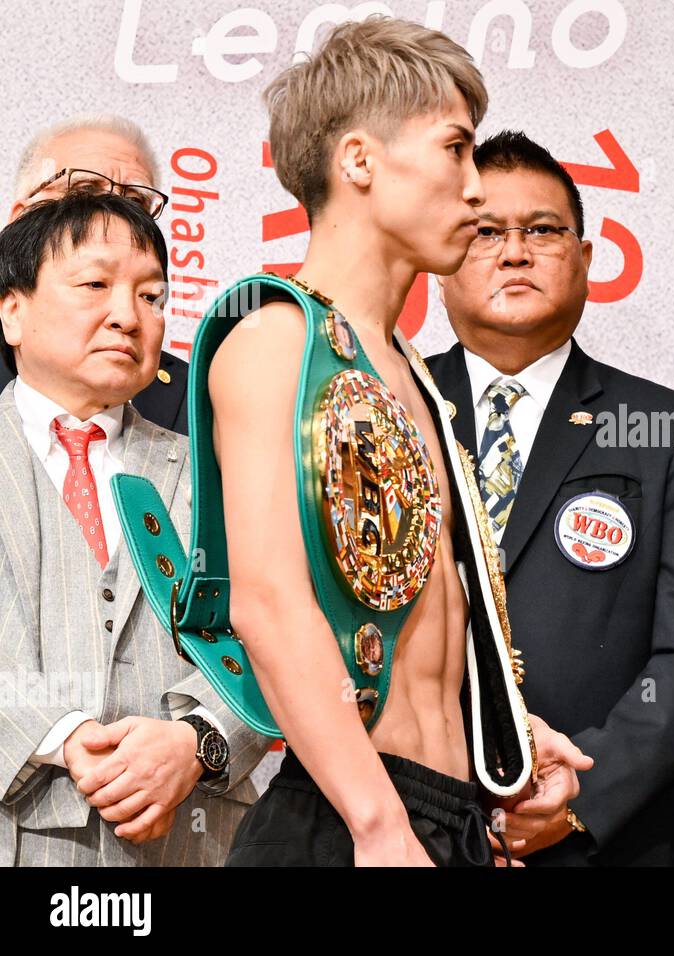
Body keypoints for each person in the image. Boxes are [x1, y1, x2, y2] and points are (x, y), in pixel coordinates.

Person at [150, 17, 591, 868]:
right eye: (455, 149)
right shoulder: (276, 337)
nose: (477, 188)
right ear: (359, 161)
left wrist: (511, 739)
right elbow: (268, 604)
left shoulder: (414, 373)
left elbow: (428, 624)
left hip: (444, 821)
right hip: (345, 822)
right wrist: (379, 825)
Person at [428, 130, 674, 865]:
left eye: (543, 230)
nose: (515, 252)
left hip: (605, 840)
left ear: (586, 260)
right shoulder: (385, 409)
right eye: (484, 234)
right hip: (409, 825)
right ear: (439, 265)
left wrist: (582, 792)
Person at [0, 191, 267, 865]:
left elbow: (276, 636)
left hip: (189, 842)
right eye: (95, 284)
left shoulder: (216, 475)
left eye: (152, 298)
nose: (128, 316)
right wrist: (59, 735)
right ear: (12, 310)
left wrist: (199, 739)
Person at [1, 115, 188, 432]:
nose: (113, 215)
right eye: (85, 191)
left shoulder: (197, 395)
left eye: (135, 202)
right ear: (23, 219)